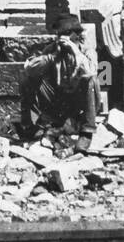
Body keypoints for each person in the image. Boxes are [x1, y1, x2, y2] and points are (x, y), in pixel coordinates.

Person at [18, 15, 101, 151]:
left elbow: (90, 72)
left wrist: (74, 51)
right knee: (27, 79)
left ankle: (86, 133)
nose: (63, 38)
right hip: (58, 103)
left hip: (80, 105)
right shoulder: (52, 50)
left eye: (67, 34)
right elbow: (29, 68)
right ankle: (29, 126)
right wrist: (51, 57)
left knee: (90, 80)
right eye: (60, 34)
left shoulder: (87, 51)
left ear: (76, 35)